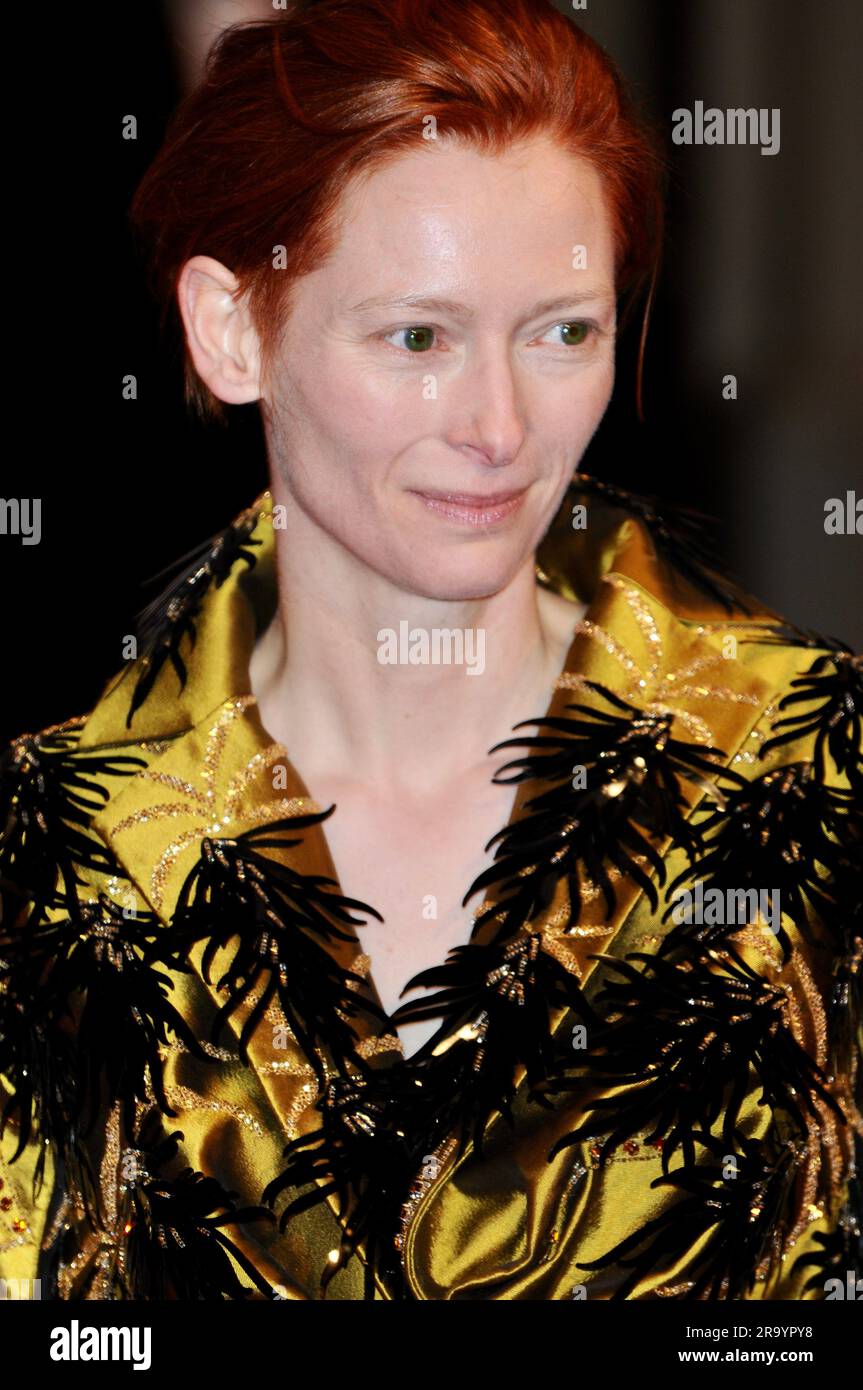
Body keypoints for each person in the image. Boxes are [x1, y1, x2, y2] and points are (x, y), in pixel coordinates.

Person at [1, 0, 860, 1301]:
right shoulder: (49, 862)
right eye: (418, 337)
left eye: (563, 331)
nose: (501, 426)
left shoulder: (812, 778)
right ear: (233, 331)